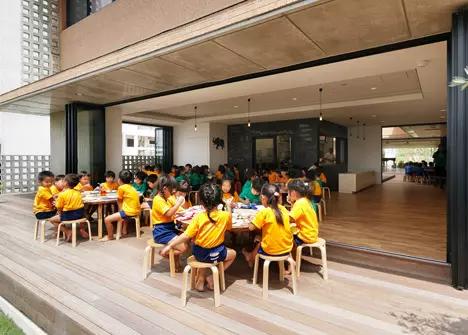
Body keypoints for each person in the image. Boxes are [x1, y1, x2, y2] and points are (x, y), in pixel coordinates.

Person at [161, 184, 237, 291]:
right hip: (218, 254)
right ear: (219, 200)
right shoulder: (225, 216)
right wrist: (228, 207)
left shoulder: (199, 217)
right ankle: (213, 277)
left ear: (202, 203)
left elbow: (186, 235)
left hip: (200, 254)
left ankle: (200, 280)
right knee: (233, 254)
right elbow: (230, 227)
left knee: (201, 248)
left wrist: (170, 245)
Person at [242, 183, 293, 267]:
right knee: (262, 240)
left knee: (260, 243)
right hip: (287, 247)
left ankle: (251, 259)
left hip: (271, 249)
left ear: (263, 198)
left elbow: (251, 228)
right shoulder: (283, 209)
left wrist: (251, 220)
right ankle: (250, 256)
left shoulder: (264, 212)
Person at [152, 175, 187, 265]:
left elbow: (177, 210)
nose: (173, 192)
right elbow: (169, 213)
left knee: (187, 238)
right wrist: (178, 203)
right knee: (184, 247)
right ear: (165, 189)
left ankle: (175, 263)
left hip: (170, 228)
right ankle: (164, 252)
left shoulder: (166, 198)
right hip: (162, 232)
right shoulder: (158, 200)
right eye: (172, 190)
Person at [101, 170, 141, 241]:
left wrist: (121, 210)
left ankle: (110, 237)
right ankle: (124, 230)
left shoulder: (121, 188)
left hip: (128, 212)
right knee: (123, 212)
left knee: (107, 219)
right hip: (137, 211)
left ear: (119, 180)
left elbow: (119, 200)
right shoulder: (132, 187)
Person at [50, 174, 86, 240]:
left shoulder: (62, 194)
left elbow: (59, 208)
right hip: (80, 215)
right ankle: (82, 229)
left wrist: (59, 213)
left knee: (52, 220)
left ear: (66, 182)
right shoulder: (78, 192)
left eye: (63, 181)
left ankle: (67, 232)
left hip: (68, 216)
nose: (62, 182)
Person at [287, 179, 319, 246]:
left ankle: (291, 254)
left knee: (283, 233)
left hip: (305, 236)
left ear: (293, 192)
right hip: (311, 234)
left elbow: (289, 219)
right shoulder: (305, 200)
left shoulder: (299, 203)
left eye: (288, 192)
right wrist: (292, 203)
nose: (288, 194)